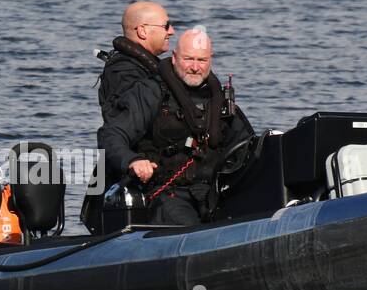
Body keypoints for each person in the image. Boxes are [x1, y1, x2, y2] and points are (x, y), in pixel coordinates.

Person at [97, 27, 254, 226]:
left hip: (211, 192)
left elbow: (246, 145)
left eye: (202, 60)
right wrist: (133, 161)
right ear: (174, 58)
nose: (195, 67)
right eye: (188, 59)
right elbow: (112, 134)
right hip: (165, 194)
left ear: (210, 60)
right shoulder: (150, 92)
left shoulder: (218, 99)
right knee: (186, 224)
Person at [96, 0, 175, 113]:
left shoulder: (141, 66)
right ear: (142, 31)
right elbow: (129, 117)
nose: (172, 31)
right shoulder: (124, 72)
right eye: (166, 26)